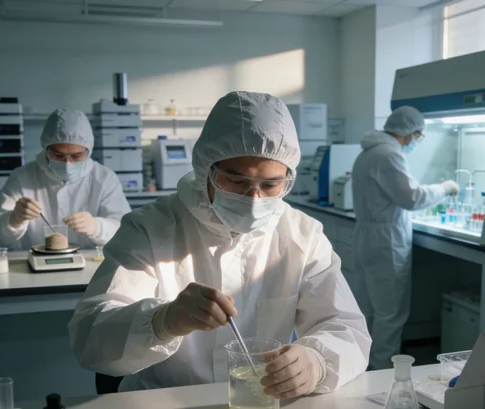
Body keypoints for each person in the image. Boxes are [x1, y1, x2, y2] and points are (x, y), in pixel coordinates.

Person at [68, 91, 370, 398]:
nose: (254, 199)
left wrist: (317, 362)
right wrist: (163, 321)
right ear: (206, 171)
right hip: (167, 400)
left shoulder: (302, 235)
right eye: (236, 181)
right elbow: (91, 337)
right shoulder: (150, 228)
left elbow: (345, 327)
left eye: (270, 185)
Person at [350, 106, 459, 370]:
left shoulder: (368, 153)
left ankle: (361, 364)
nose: (416, 141)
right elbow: (412, 197)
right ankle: (383, 372)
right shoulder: (389, 155)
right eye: (418, 135)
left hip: (366, 236)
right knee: (390, 313)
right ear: (408, 132)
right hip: (386, 240)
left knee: (368, 308)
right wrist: (444, 188)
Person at [0, 109, 130, 251]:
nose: (67, 163)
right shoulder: (22, 177)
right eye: (58, 155)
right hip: (33, 265)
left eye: (76, 156)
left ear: (88, 151)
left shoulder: (104, 178)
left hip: (90, 265)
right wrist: (14, 219)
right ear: (46, 149)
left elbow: (126, 233)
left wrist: (97, 227)